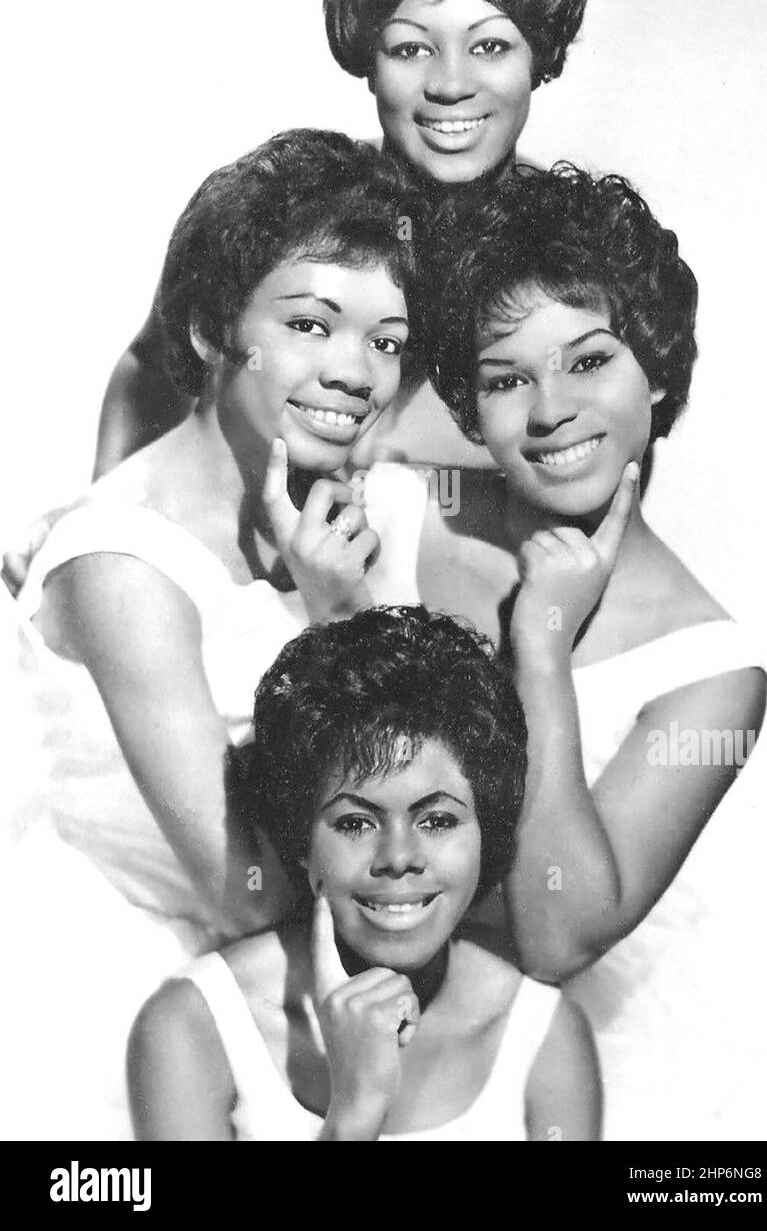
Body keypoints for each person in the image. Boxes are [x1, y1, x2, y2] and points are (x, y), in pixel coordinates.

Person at [3, 129, 418, 1140]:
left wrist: (351, 610)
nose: (355, 370)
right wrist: (336, 635)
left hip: (314, 971)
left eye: (385, 338)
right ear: (206, 328)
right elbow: (243, 894)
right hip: (112, 983)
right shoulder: (120, 563)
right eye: (312, 324)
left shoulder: (381, 506)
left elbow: (431, 794)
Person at [410, 163, 767, 1138]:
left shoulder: (712, 673)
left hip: (567, 1086)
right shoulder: (414, 510)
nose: (549, 408)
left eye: (587, 360)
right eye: (504, 376)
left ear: (654, 366)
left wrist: (539, 649)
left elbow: (556, 933)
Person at [90, 0, 586, 478]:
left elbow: (619, 444)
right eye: (411, 49)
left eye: (490, 45)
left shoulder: (576, 246)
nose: (451, 84)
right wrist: (105, 520)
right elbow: (150, 369)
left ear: (538, 56)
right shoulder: (294, 208)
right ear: (367, 60)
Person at [128, 605, 600, 1141]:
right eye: (355, 822)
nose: (398, 855)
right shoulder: (194, 1026)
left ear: (484, 833)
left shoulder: (543, 1037)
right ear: (301, 840)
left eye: (438, 819)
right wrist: (354, 1111)